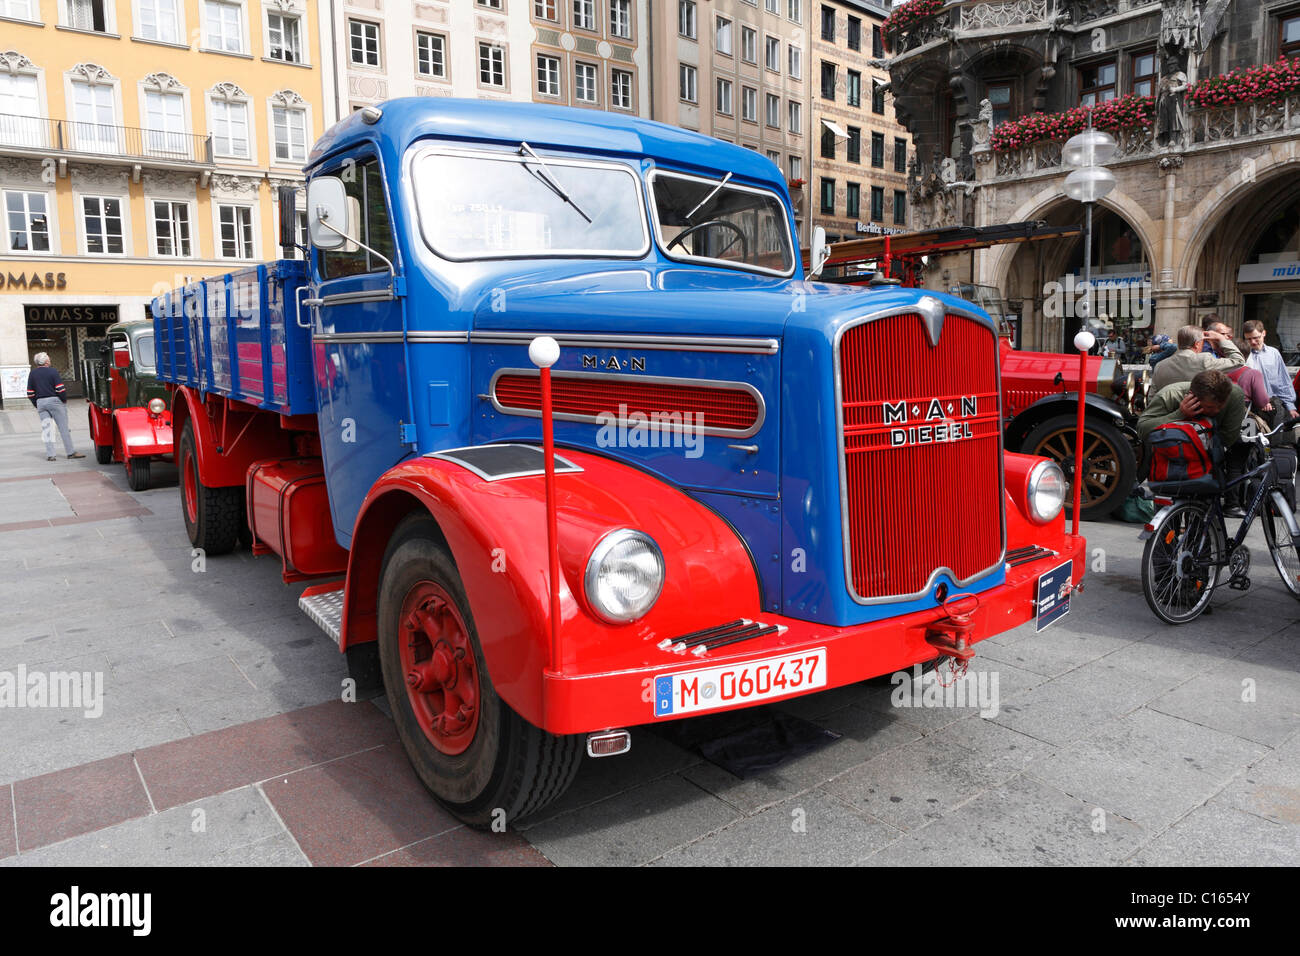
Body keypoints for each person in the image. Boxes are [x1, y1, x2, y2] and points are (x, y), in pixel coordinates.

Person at [1138, 370, 1250, 514]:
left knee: (1204, 518)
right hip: (1169, 466)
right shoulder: (1169, 395)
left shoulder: (1234, 395)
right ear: (1192, 395)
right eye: (1209, 407)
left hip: (1205, 468)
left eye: (1220, 407)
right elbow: (1142, 429)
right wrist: (1179, 414)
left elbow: (1228, 438)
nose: (1215, 411)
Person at [1150, 324, 1244, 393]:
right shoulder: (1204, 360)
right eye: (1203, 342)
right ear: (1197, 344)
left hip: (1167, 416)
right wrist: (1221, 339)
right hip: (1197, 416)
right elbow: (1238, 361)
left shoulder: (1160, 366)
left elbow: (1152, 397)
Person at [26, 353, 84, 462]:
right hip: (54, 401)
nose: (50, 360)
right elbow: (60, 389)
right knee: (63, 428)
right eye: (49, 358)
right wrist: (63, 400)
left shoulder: (32, 374)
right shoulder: (53, 371)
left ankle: (51, 455)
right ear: (47, 362)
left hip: (40, 403)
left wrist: (36, 403)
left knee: (47, 429)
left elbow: (30, 393)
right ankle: (70, 452)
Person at [1242, 320, 1298, 418]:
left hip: (1275, 406)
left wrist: (1290, 406)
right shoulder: (1244, 355)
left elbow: (1283, 381)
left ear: (1263, 333)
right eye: (1248, 339)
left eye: (1256, 338)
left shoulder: (1274, 353)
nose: (1252, 342)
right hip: (1251, 409)